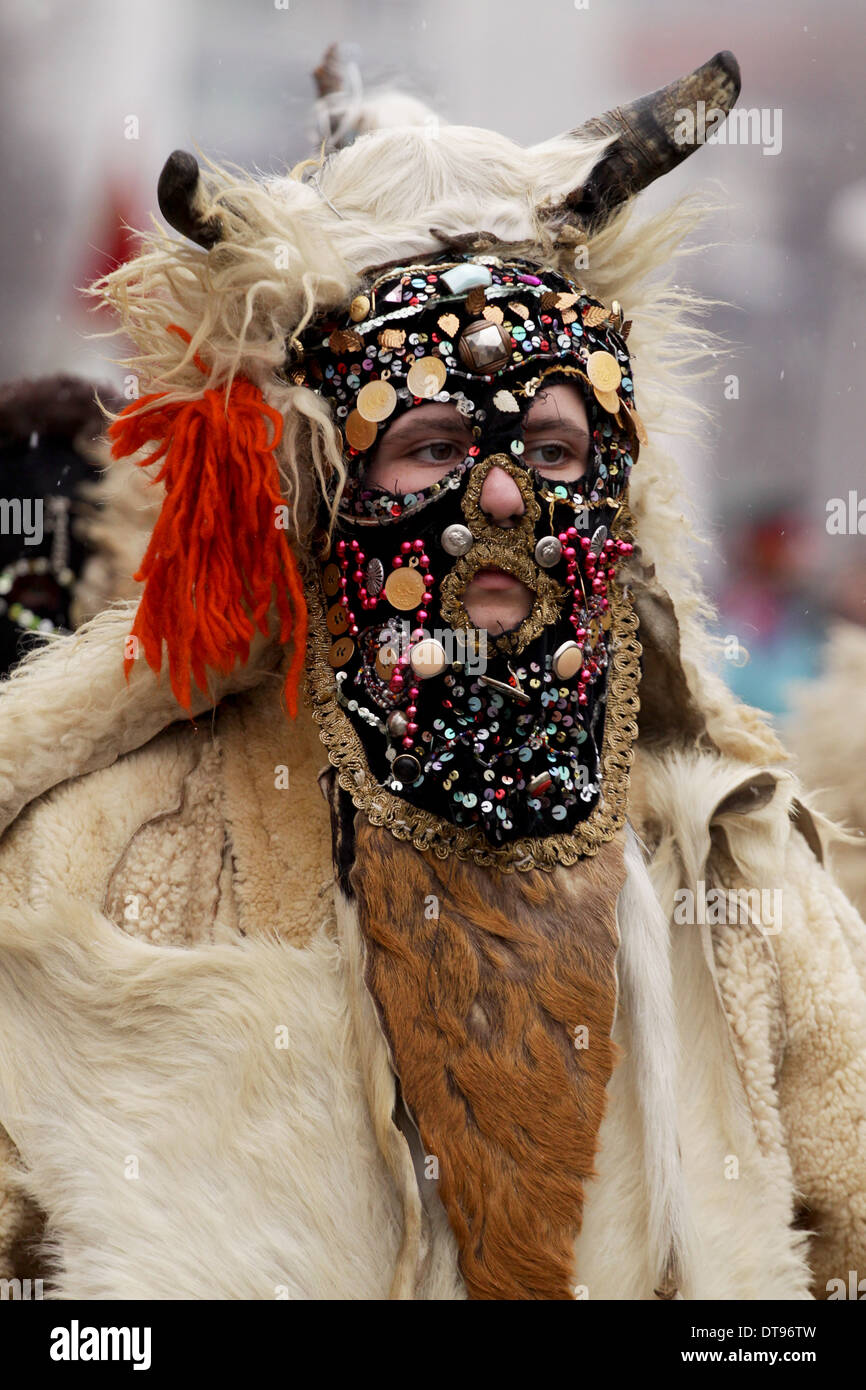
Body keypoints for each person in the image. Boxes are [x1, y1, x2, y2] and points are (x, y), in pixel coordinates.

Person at [0, 49, 864, 1301]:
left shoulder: (731, 871)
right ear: (324, 492)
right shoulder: (104, 857)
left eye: (552, 442)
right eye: (435, 442)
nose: (503, 492)